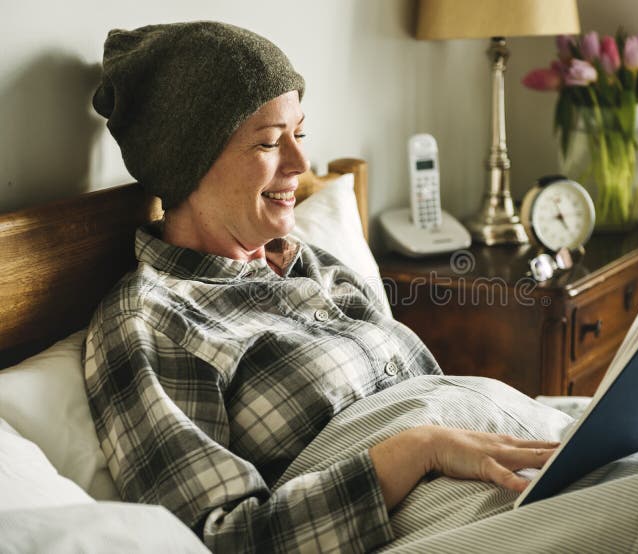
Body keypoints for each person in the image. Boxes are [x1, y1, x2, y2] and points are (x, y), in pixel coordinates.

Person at [84, 21, 560, 553]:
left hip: (530, 454)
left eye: (299, 134)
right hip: (465, 519)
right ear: (188, 165)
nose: (300, 165)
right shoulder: (150, 319)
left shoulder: (312, 264)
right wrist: (418, 450)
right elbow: (219, 541)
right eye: (268, 142)